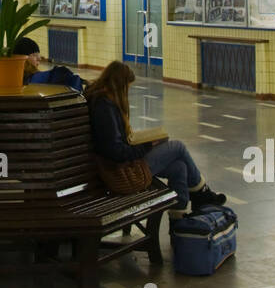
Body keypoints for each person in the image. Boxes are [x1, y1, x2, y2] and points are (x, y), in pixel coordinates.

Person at [84, 60, 225, 218]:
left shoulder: (103, 102)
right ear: (119, 85)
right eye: (127, 88)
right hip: (121, 173)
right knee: (178, 147)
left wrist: (143, 142)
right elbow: (115, 151)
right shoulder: (105, 108)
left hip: (122, 165)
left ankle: (179, 221)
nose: (127, 93)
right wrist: (146, 146)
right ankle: (202, 194)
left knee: (179, 167)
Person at [12, 37, 83, 90]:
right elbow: (61, 72)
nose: (39, 58)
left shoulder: (11, 79)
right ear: (22, 58)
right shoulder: (33, 80)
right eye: (34, 55)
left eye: (38, 55)